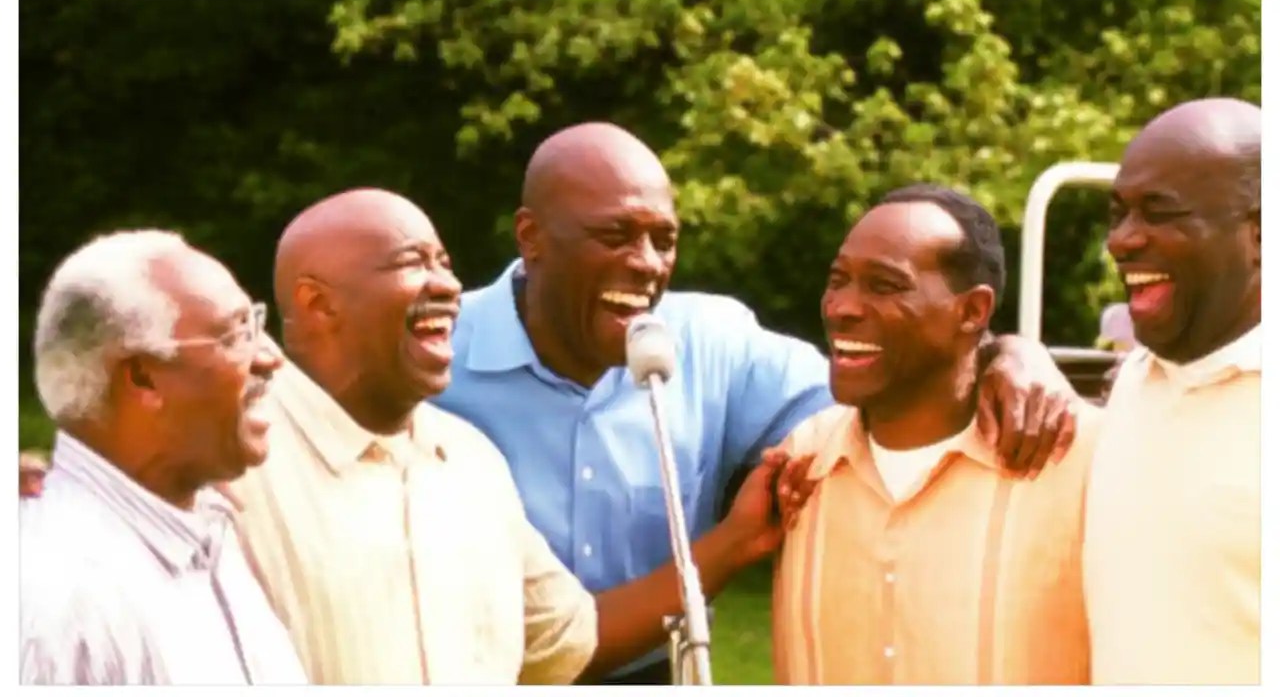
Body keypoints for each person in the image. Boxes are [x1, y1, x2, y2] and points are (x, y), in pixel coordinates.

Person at [433, 122, 1083, 683]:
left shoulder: (709, 342)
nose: (648, 263)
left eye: (664, 238)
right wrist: (732, 545)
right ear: (532, 236)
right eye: (616, 235)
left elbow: (895, 378)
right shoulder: (432, 357)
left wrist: (1009, 353)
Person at [223, 188, 794, 685]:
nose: (447, 283)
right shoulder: (227, 468)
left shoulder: (468, 463)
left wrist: (736, 541)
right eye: (411, 262)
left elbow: (571, 640)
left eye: (444, 262)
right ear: (317, 302)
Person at [771, 184, 1101, 684]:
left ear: (972, 312)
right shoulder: (804, 460)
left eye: (884, 285)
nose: (842, 307)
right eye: (838, 280)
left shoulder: (1079, 461)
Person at [20, 230, 304, 685]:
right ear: (142, 378)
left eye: (255, 323)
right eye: (235, 334)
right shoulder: (51, 594)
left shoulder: (210, 534)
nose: (272, 358)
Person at [1084, 97, 1261, 685]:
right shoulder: (1136, 382)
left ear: (1259, 233)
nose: (1122, 242)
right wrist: (1014, 354)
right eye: (1120, 214)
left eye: (1160, 213)